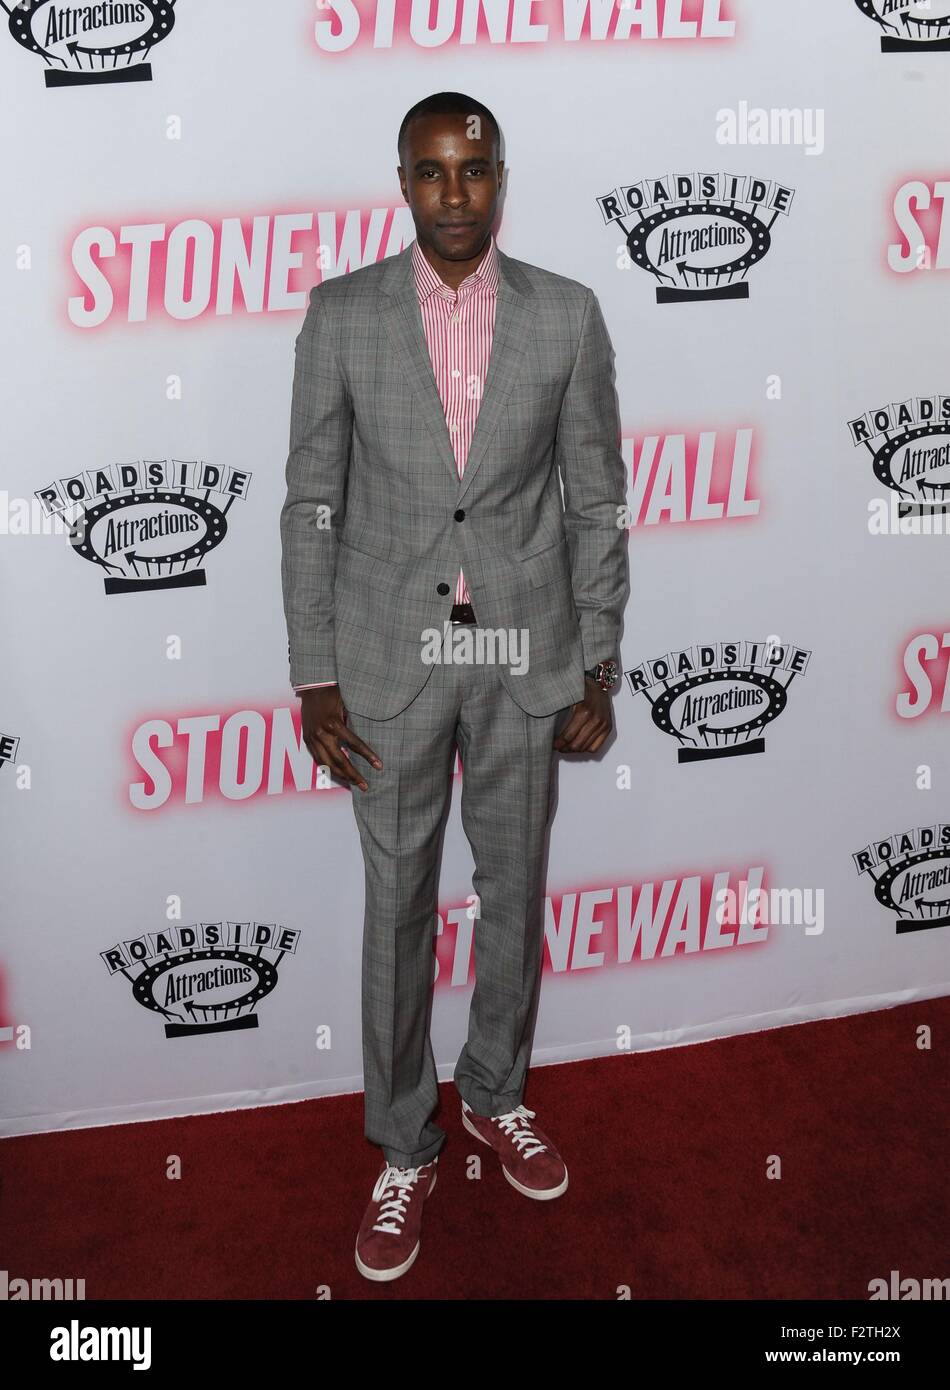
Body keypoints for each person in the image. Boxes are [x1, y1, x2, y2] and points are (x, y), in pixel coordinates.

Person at [280, 90, 628, 1282]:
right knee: (396, 908)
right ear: (401, 182)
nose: (454, 196)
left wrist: (597, 658)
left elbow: (594, 499)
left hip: (520, 654)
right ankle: (400, 1142)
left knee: (516, 889)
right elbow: (310, 501)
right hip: (390, 660)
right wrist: (315, 672)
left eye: (472, 171)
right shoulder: (339, 317)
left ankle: (493, 1091)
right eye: (430, 174)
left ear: (499, 176)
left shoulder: (568, 316)